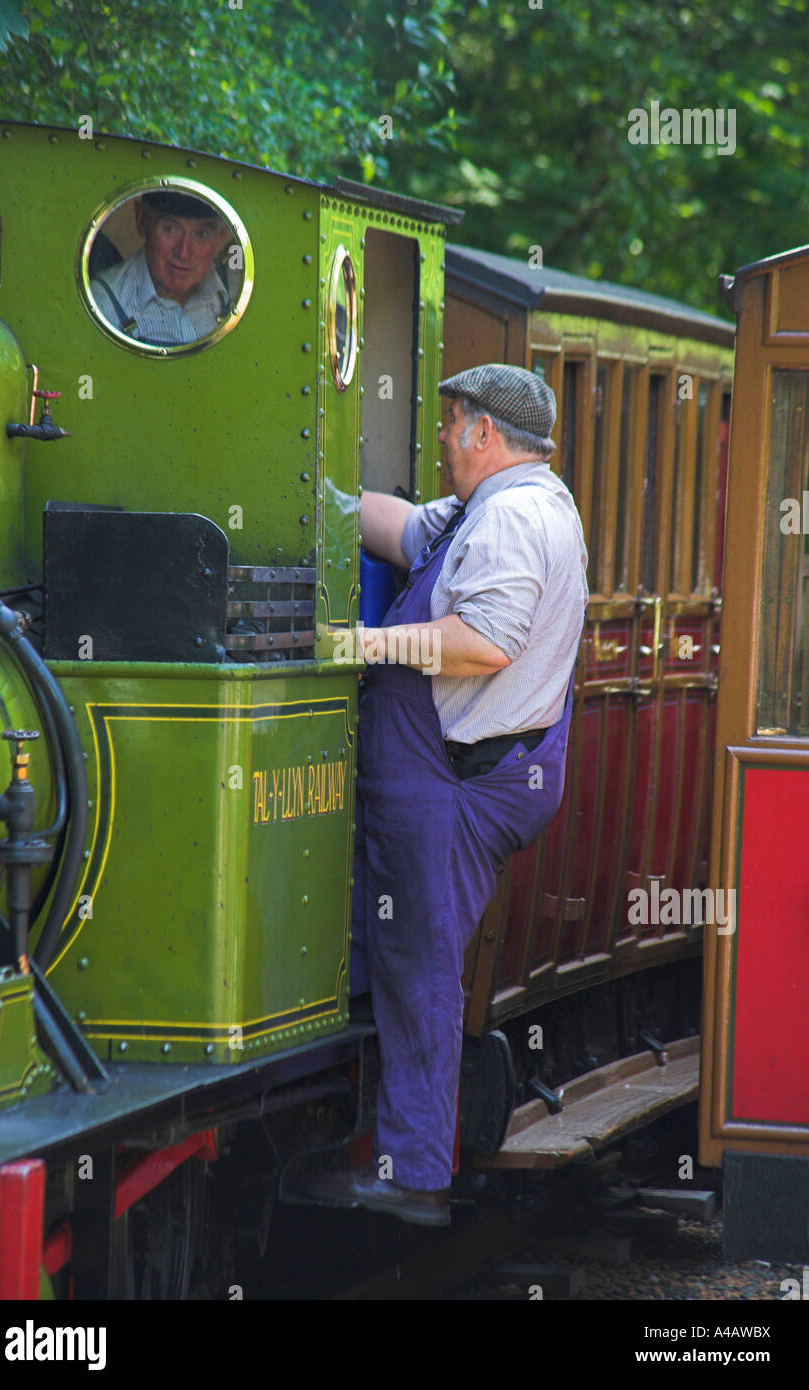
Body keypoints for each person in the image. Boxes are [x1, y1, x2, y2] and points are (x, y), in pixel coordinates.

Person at [303, 363, 589, 1226]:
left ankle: (413, 1176)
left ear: (483, 434)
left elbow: (481, 644)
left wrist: (357, 644)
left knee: (420, 966)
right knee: (397, 958)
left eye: (451, 420)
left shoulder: (509, 520)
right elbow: (396, 528)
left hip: (454, 779)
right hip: (451, 770)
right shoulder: (492, 507)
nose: (438, 435)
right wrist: (313, 493)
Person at [89, 191, 230, 347]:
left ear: (220, 237)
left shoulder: (237, 293)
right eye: (170, 229)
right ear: (141, 219)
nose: (183, 253)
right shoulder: (101, 305)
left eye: (201, 234)